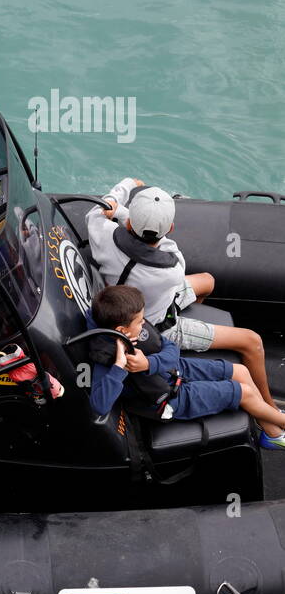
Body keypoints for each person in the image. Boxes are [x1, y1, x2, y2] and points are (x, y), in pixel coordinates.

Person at [87, 177, 276, 407]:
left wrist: (123, 190)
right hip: (156, 326)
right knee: (252, 341)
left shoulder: (103, 236)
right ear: (170, 228)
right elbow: (165, 250)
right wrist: (127, 214)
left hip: (130, 301)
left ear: (128, 225)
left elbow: (98, 211)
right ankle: (269, 405)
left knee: (207, 281)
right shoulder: (172, 271)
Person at [86, 285, 285, 449]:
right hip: (171, 398)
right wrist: (120, 367)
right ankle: (277, 428)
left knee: (240, 371)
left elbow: (171, 350)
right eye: (139, 322)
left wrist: (149, 363)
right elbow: (99, 405)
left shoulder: (123, 322)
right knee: (244, 392)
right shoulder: (108, 358)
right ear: (121, 330)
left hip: (176, 369)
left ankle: (272, 431)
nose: (143, 324)